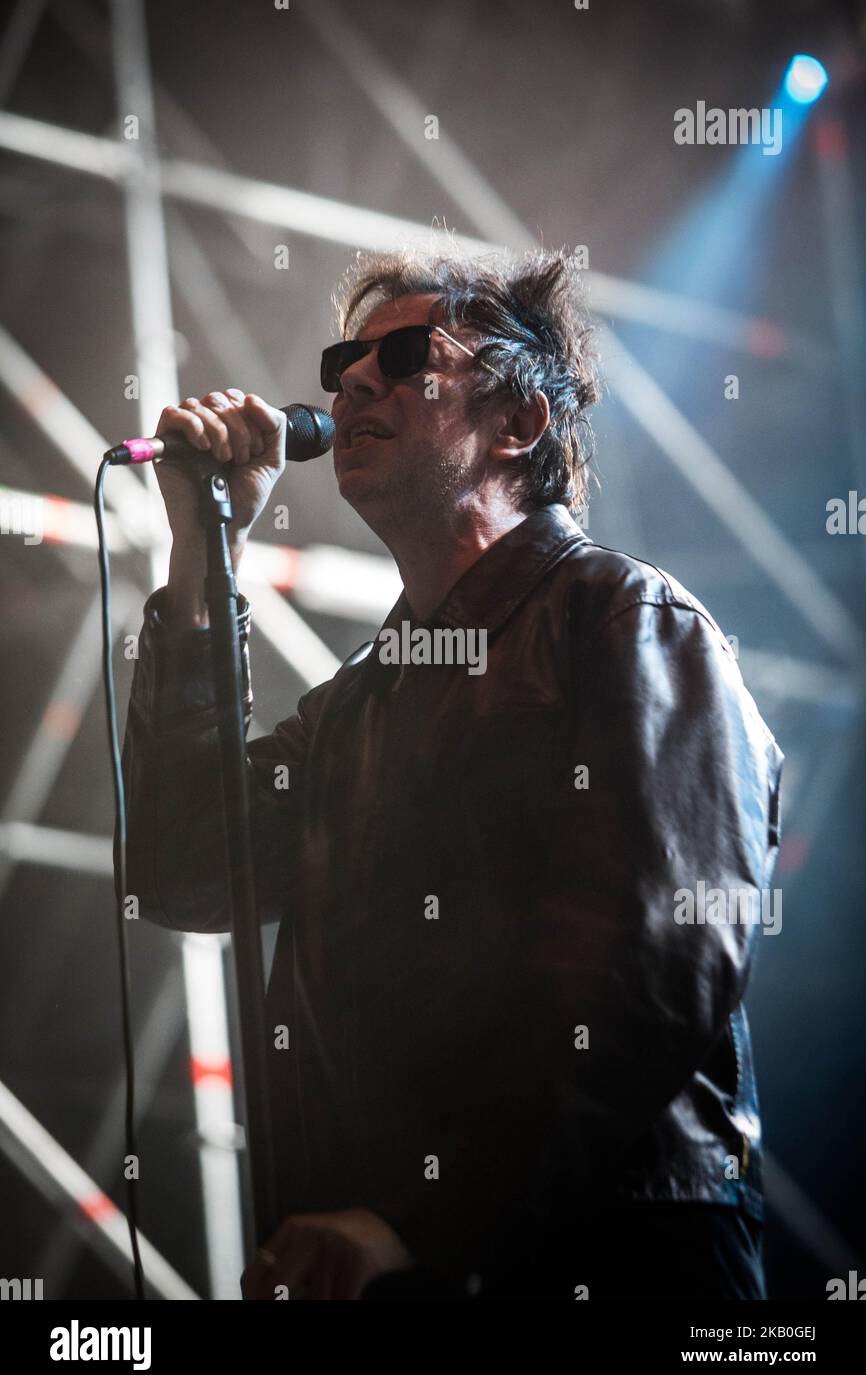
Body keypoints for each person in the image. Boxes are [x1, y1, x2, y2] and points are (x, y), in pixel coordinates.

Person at [119, 248, 783, 1300]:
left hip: (616, 1260)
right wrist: (203, 559)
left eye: (402, 354)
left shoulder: (623, 623)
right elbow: (188, 867)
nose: (350, 381)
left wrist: (423, 1212)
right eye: (343, 361)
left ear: (518, 425)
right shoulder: (358, 706)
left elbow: (655, 959)